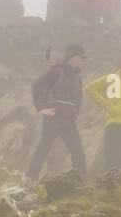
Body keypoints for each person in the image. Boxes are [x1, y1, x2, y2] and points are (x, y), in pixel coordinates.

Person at [27, 44, 89, 178]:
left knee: (77, 151)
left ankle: (82, 181)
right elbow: (37, 86)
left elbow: (78, 99)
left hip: (68, 119)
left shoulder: (78, 78)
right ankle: (30, 178)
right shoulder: (57, 71)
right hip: (54, 116)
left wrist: (75, 113)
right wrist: (42, 108)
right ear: (72, 57)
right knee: (44, 148)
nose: (83, 61)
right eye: (81, 58)